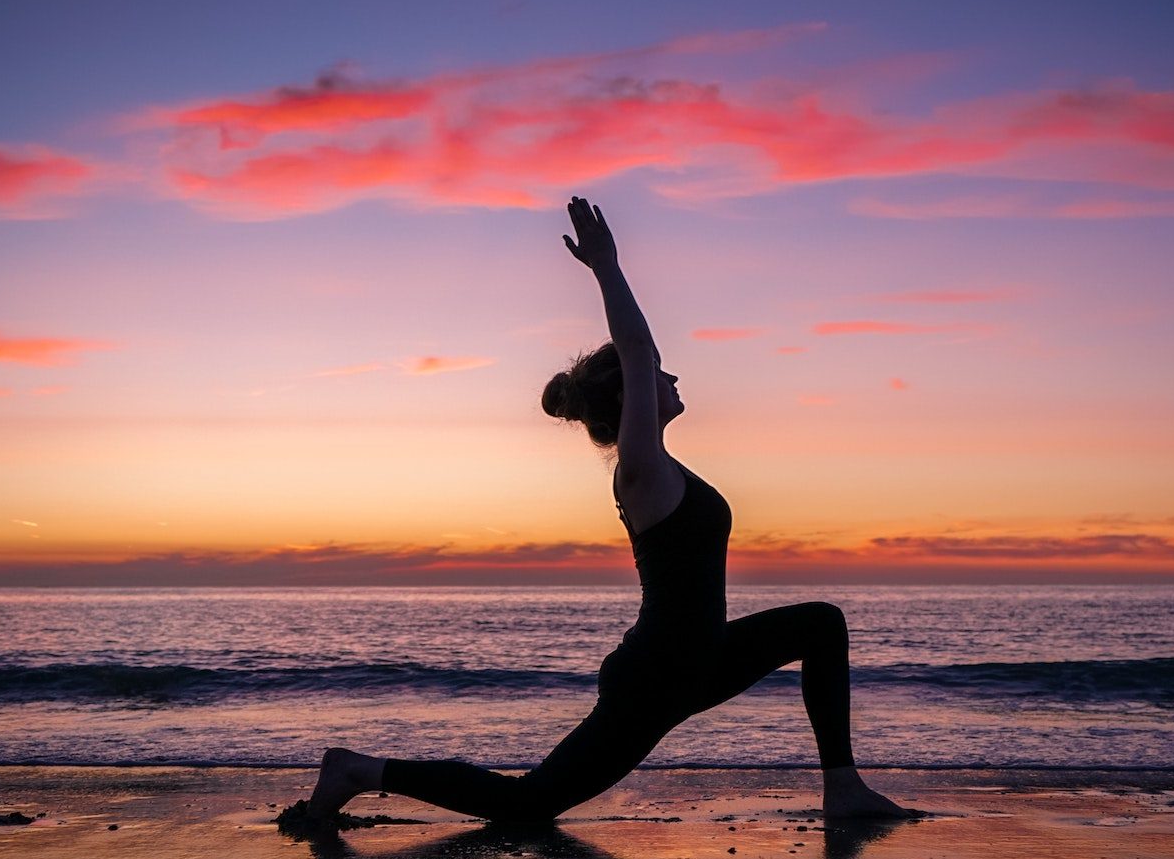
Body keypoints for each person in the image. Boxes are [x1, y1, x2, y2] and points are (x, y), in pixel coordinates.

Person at [295, 197, 913, 826]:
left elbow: (642, 360)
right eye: (659, 376)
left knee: (821, 624)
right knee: (527, 805)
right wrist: (607, 267)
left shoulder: (664, 468)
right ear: (630, 397)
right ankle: (358, 769)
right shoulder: (641, 470)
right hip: (659, 674)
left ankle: (843, 788)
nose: (672, 378)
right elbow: (637, 350)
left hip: (701, 660)